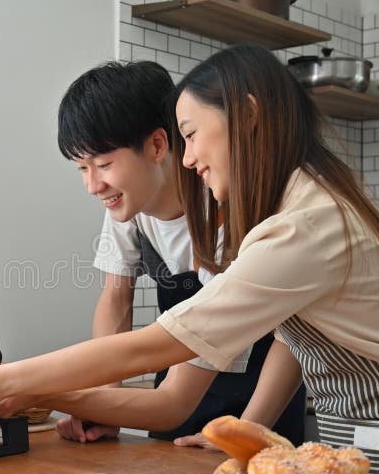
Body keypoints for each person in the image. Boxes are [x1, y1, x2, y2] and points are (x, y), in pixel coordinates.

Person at [0, 43, 379, 474]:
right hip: (361, 423)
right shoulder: (298, 205)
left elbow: (166, 344)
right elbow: (130, 309)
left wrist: (11, 381)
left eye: (192, 134)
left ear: (247, 115)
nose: (189, 157)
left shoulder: (299, 225)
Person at [32, 60, 304, 445]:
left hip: (255, 399)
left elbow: (290, 333)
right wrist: (104, 402)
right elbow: (116, 299)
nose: (93, 185)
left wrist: (248, 430)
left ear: (158, 145)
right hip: (176, 389)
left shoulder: (230, 205)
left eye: (104, 164)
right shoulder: (127, 205)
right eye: (82, 168)